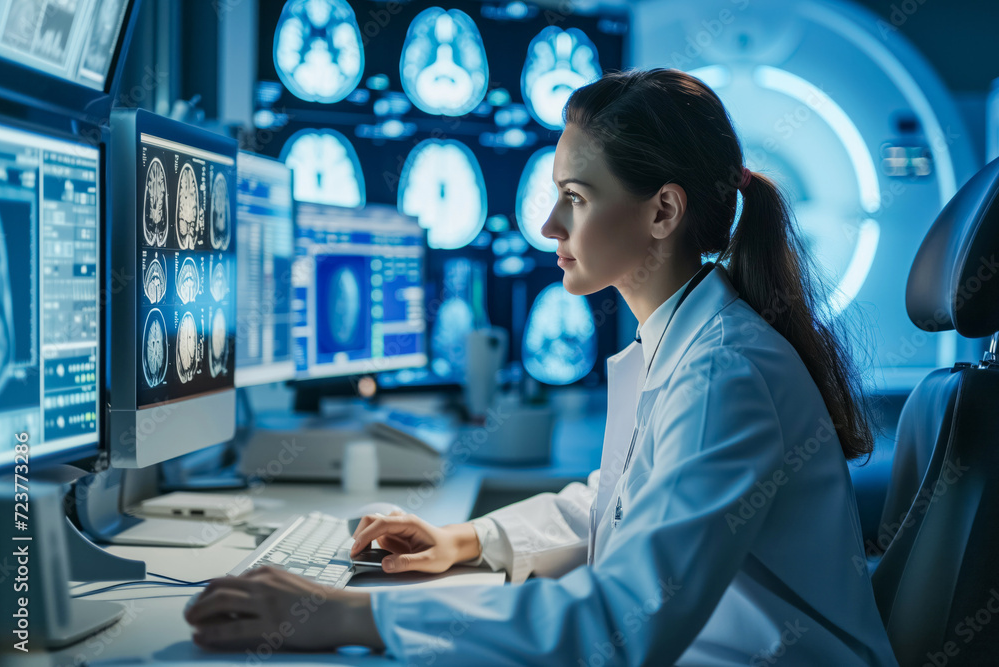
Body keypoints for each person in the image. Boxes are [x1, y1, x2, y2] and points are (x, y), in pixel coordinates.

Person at [185, 68, 898, 665]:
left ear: (663, 212)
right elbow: (616, 503)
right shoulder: (688, 340)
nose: (548, 225)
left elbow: (621, 623)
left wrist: (351, 617)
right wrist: (464, 539)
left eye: (575, 198)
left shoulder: (724, 374)